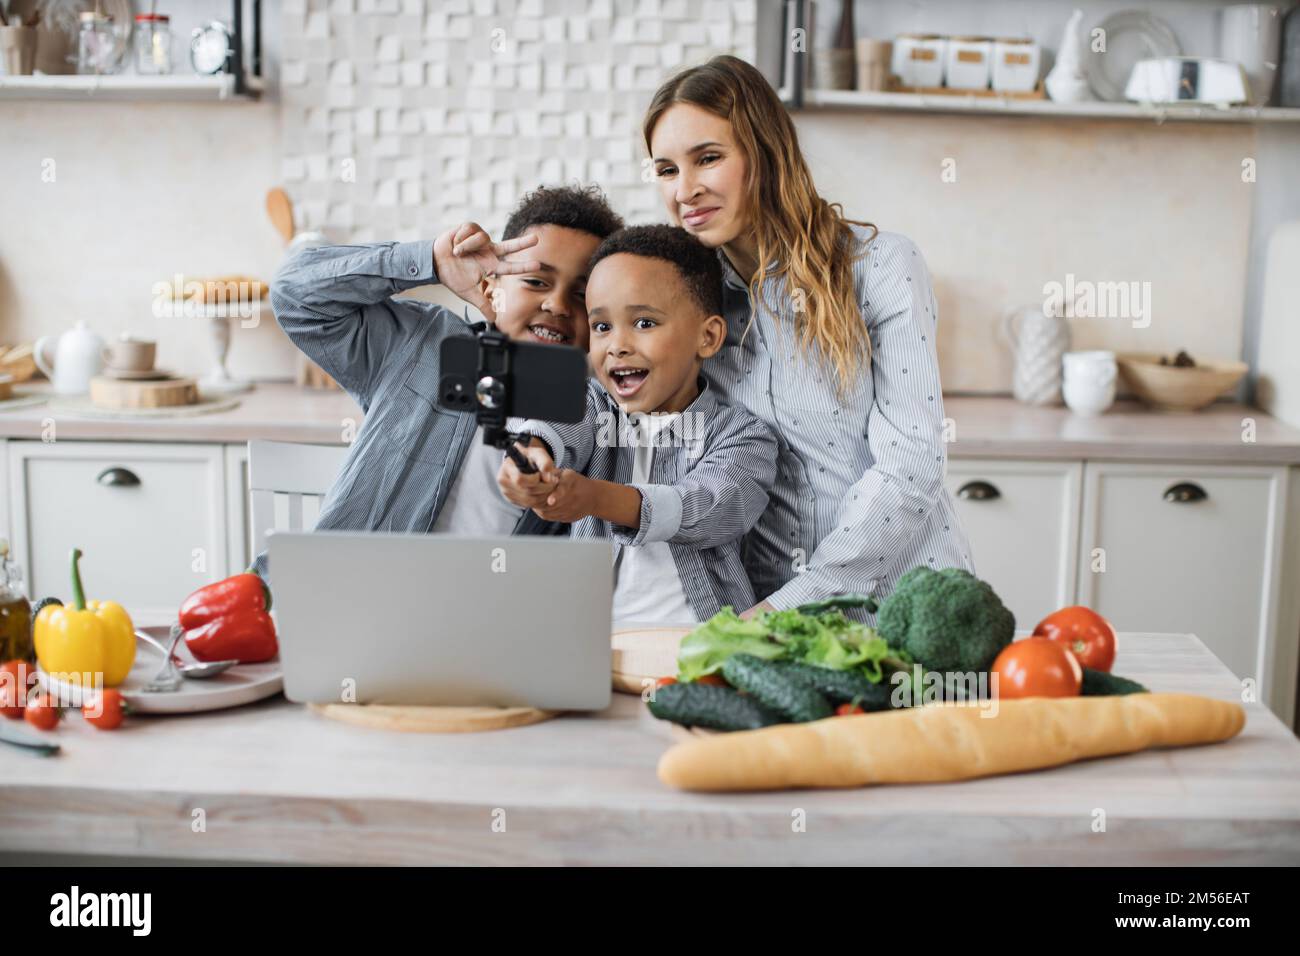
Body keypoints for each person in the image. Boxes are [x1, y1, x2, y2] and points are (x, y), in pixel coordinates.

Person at [642, 55, 976, 617]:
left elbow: (911, 467)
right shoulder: (688, 305)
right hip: (766, 620)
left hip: (904, 612)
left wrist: (792, 604)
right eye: (667, 170)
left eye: (708, 158)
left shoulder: (881, 267)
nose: (686, 190)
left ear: (765, 155)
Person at [251, 185, 624, 585]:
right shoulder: (425, 345)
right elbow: (294, 295)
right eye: (535, 281)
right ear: (489, 288)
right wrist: (429, 259)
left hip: (487, 630)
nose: (557, 305)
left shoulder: (601, 409)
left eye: (582, 295)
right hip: (350, 600)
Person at [497, 225, 777, 624]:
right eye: (601, 326)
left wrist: (597, 498)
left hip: (700, 652)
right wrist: (533, 452)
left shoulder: (742, 436)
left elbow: (709, 508)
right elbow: (558, 423)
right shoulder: (595, 407)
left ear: (709, 336)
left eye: (644, 323)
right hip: (590, 651)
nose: (617, 345)